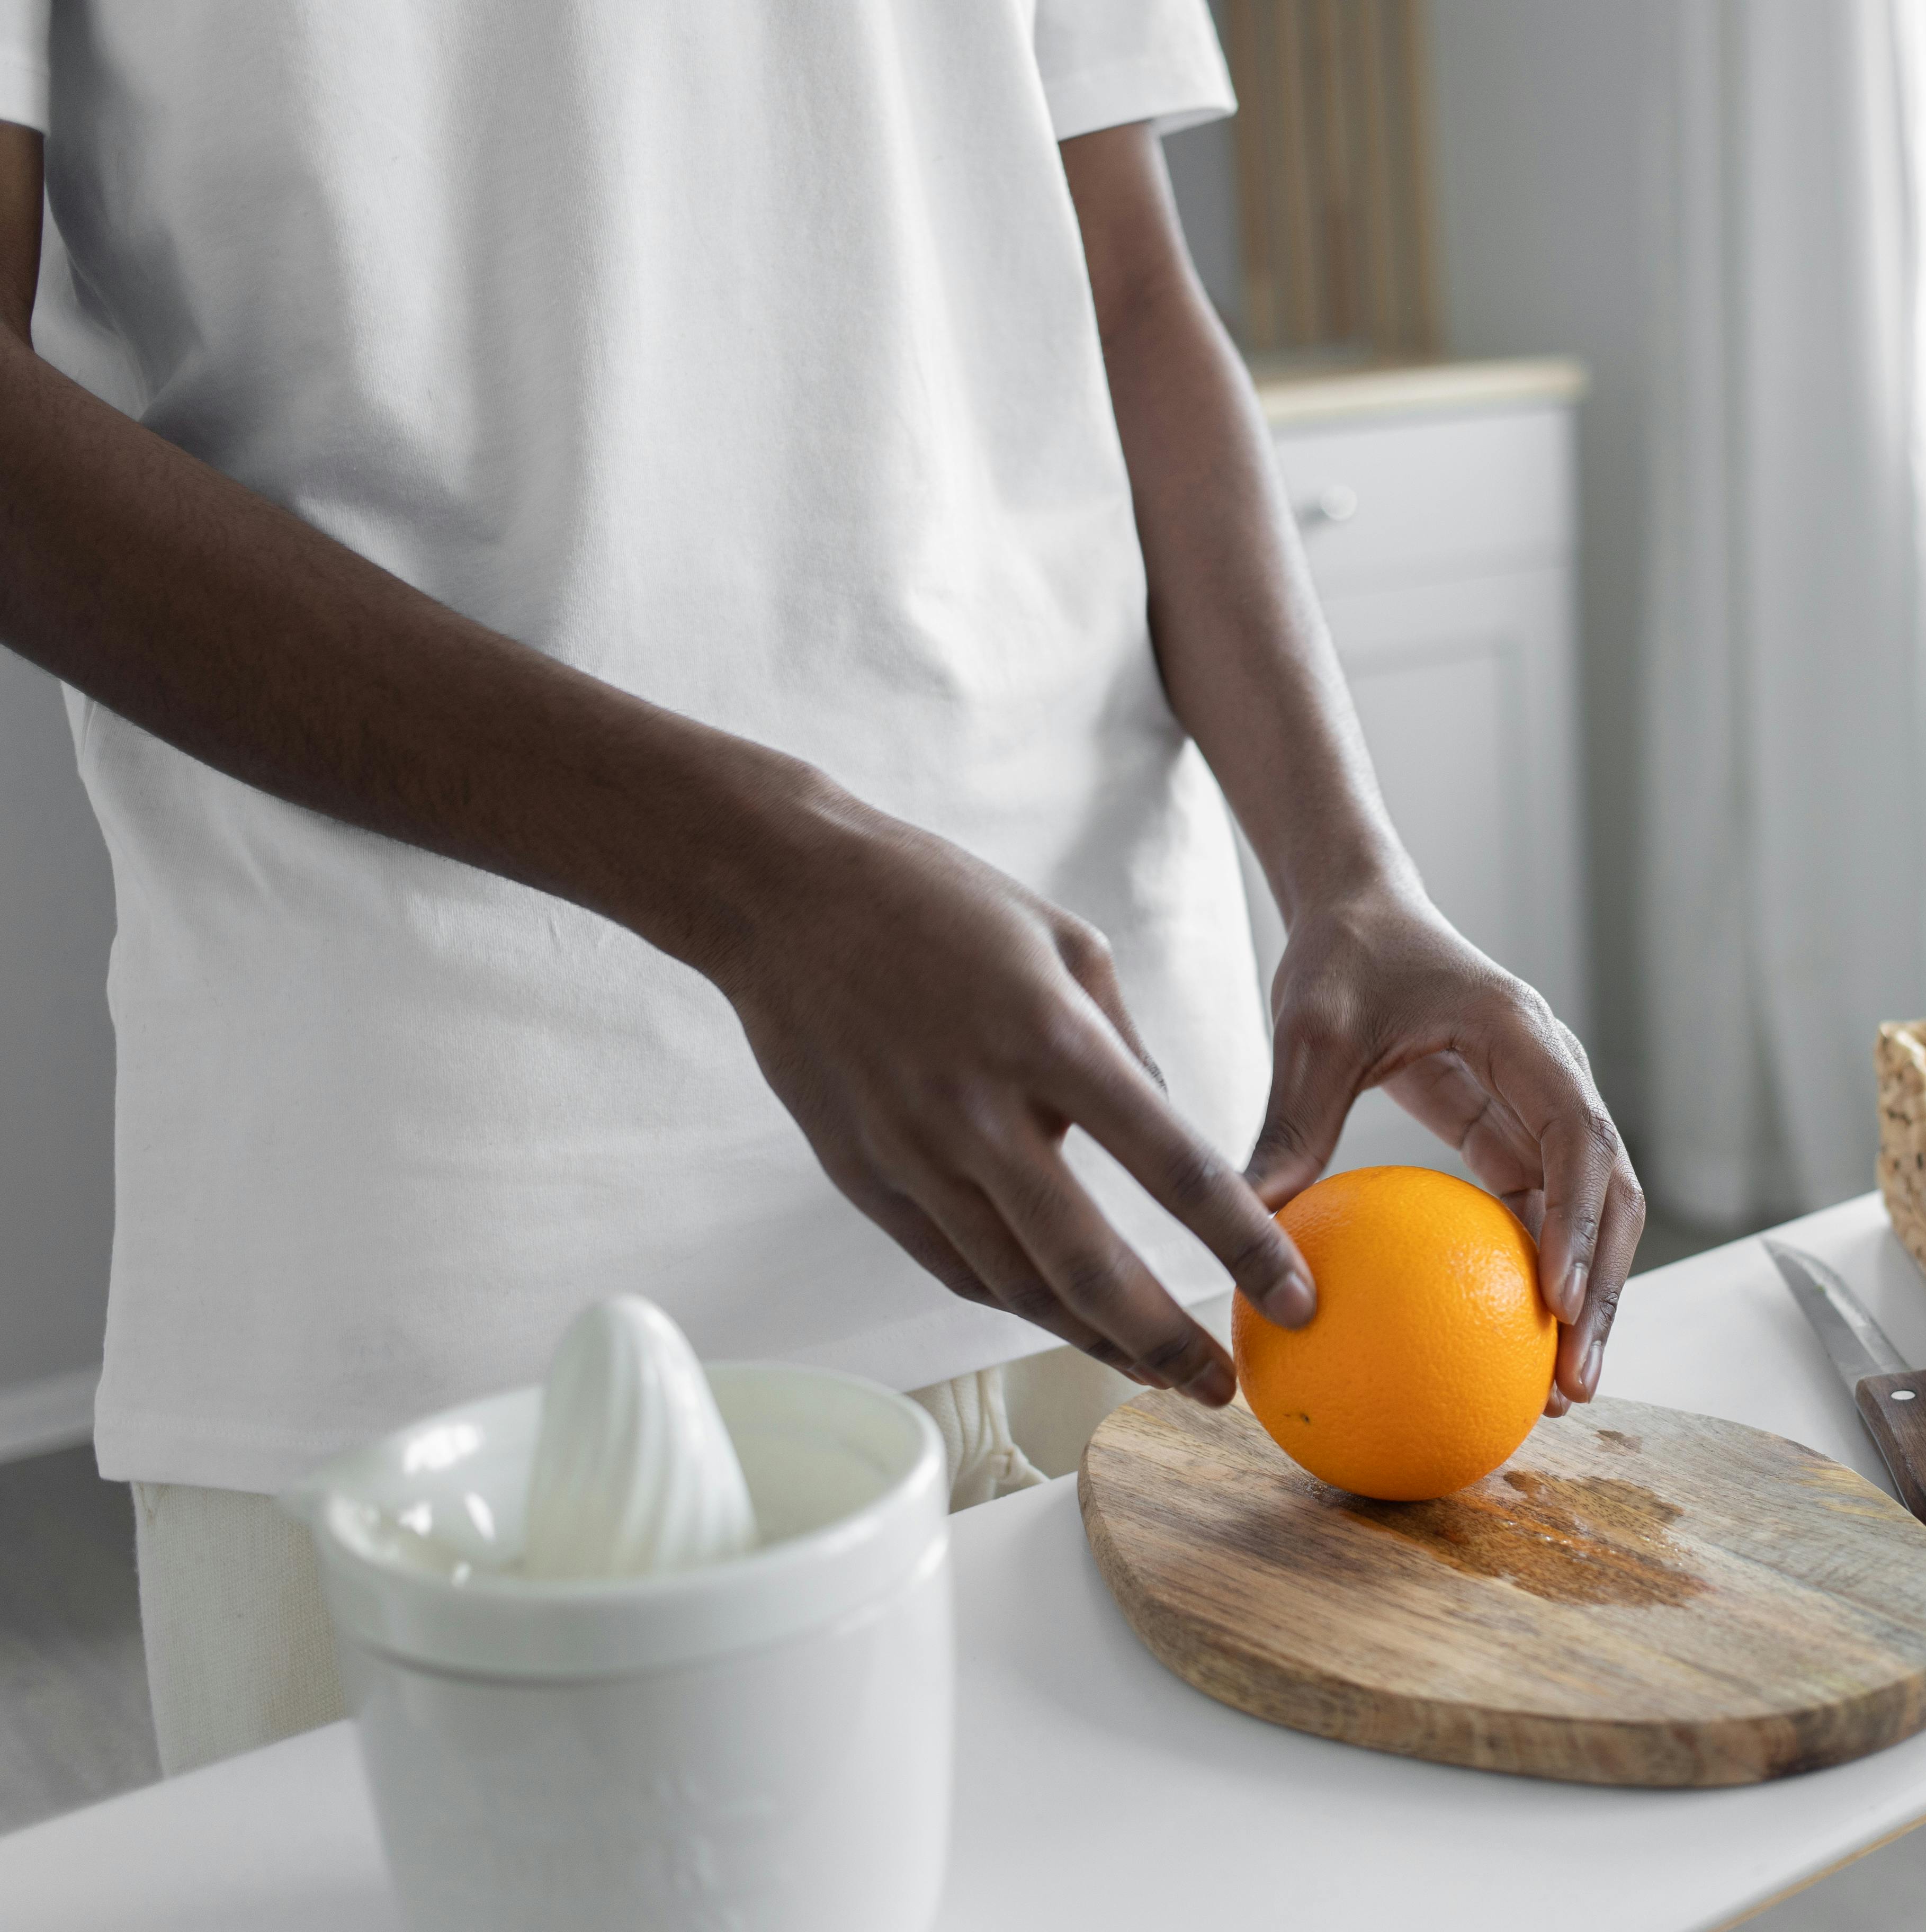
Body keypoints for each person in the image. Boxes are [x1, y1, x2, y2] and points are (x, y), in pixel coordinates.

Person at [0, 0, 1642, 1775]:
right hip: (466, 1277)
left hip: (1128, 1228)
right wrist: (760, 880)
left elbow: (1129, 297)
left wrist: (1353, 870)